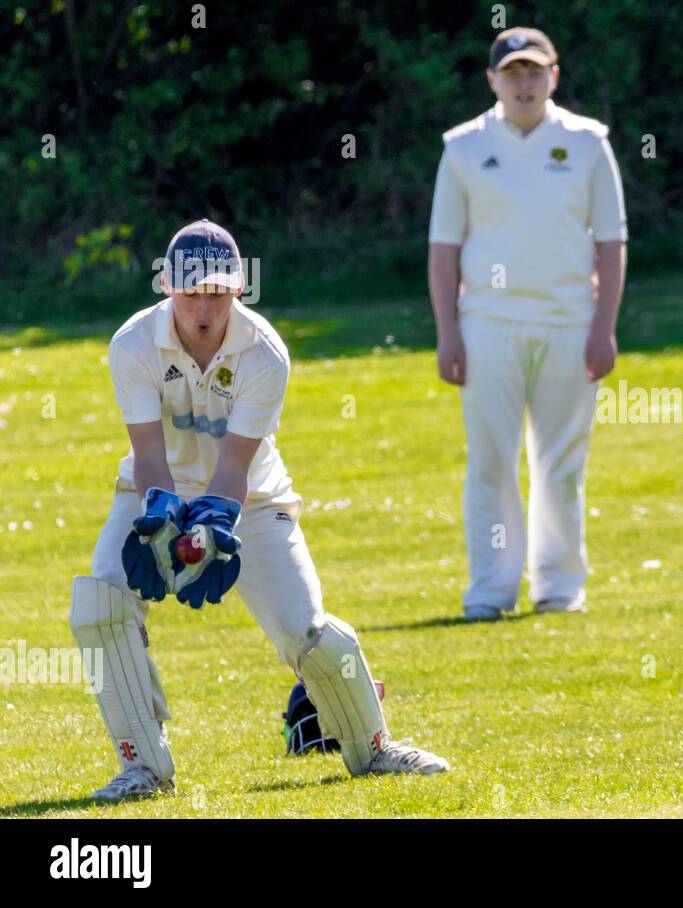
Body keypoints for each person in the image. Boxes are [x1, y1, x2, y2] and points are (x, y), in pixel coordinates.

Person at [71, 219, 450, 802]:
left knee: (309, 632)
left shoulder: (265, 354)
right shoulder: (133, 345)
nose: (204, 308)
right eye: (192, 292)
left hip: (249, 499)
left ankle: (373, 747)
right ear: (167, 287)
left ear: (240, 289)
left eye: (218, 292)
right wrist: (164, 523)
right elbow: (149, 456)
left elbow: (232, 471)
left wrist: (211, 530)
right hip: (151, 494)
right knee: (100, 604)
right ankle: (142, 767)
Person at [427, 27, 628, 622]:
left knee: (561, 461)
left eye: (534, 72)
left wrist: (604, 326)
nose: (523, 83)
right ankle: (489, 589)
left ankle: (560, 586)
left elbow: (612, 241)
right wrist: (447, 332)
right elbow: (444, 246)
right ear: (492, 80)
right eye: (511, 73)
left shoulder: (589, 142)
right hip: (486, 322)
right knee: (490, 461)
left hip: (570, 319)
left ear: (554, 78)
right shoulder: (463, 147)